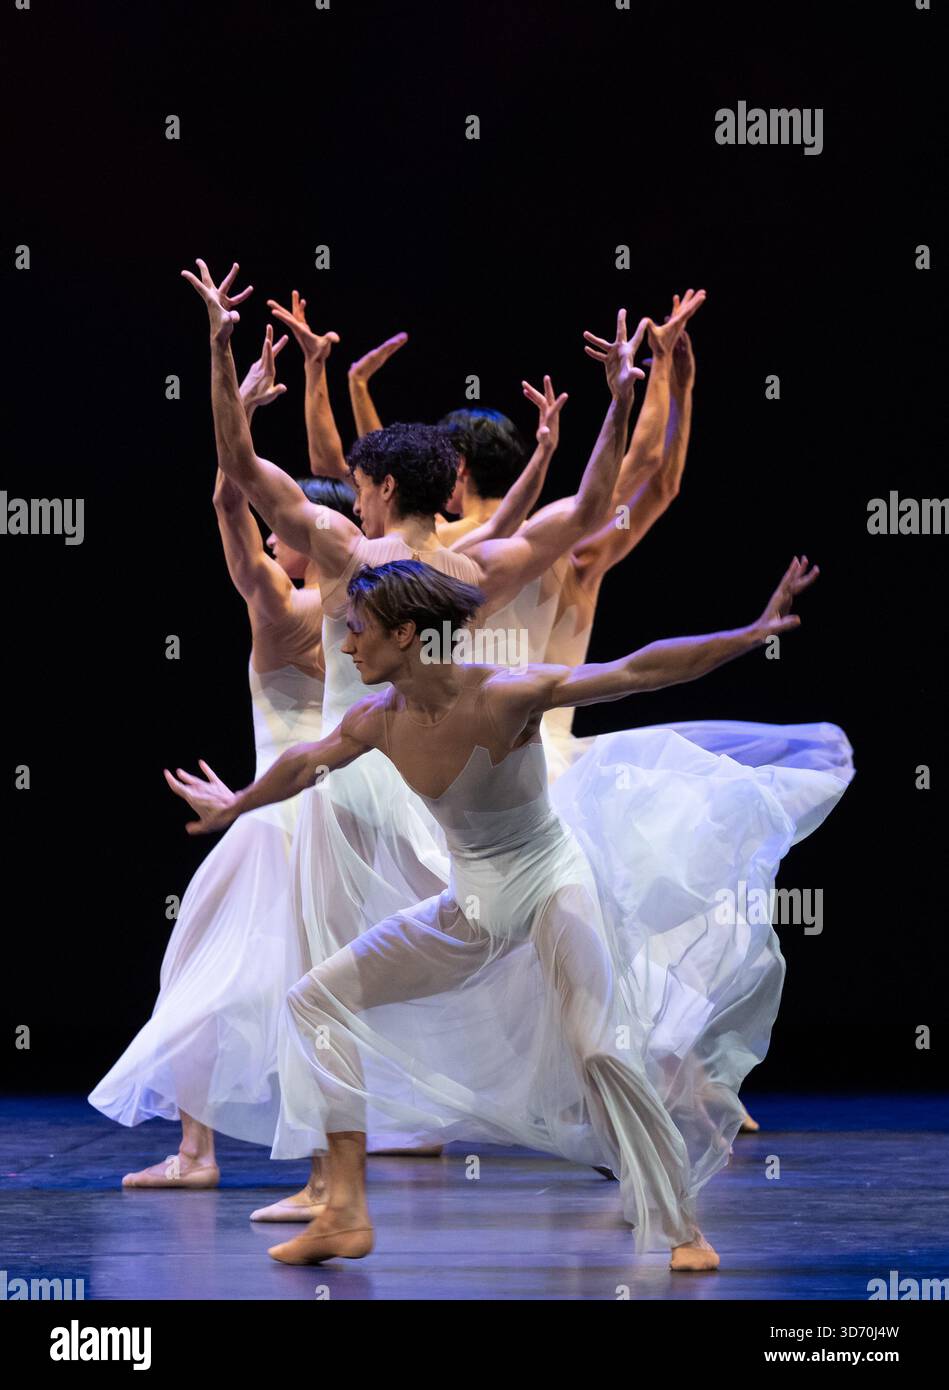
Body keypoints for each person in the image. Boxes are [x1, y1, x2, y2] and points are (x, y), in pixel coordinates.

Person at [165, 548, 850, 1272]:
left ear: (405, 635)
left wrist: (751, 632)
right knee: (315, 1001)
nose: (345, 643)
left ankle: (683, 1231)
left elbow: (638, 671)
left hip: (553, 883)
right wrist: (238, 803)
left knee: (597, 1048)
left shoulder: (504, 694)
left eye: (358, 627)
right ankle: (343, 1211)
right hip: (470, 905)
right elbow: (306, 764)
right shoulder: (375, 719)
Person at [89, 326, 357, 1189]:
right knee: (316, 989)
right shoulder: (363, 608)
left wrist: (231, 401)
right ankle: (322, 1176)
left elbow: (226, 504)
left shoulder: (281, 605)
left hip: (269, 817)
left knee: (196, 972)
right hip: (340, 822)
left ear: (298, 540)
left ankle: (199, 1154)